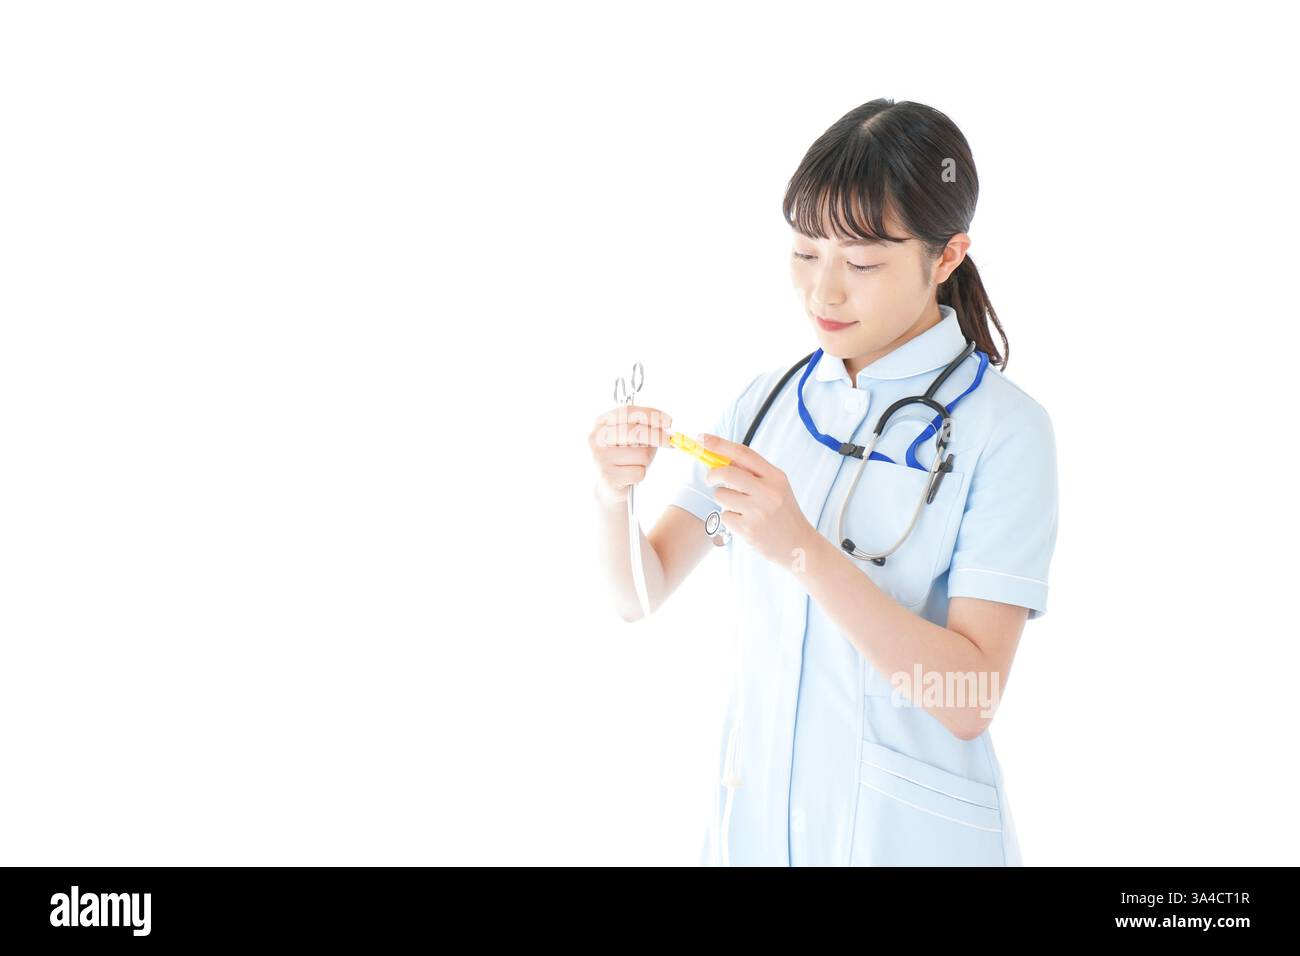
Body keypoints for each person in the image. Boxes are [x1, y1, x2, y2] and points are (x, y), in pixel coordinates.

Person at [587, 98, 1058, 866]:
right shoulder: (766, 404)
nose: (823, 293)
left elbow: (970, 699)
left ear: (947, 256)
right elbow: (640, 593)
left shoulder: (1005, 431)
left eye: (862, 264)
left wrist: (802, 551)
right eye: (806, 253)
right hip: (753, 834)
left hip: (907, 843)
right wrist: (614, 495)